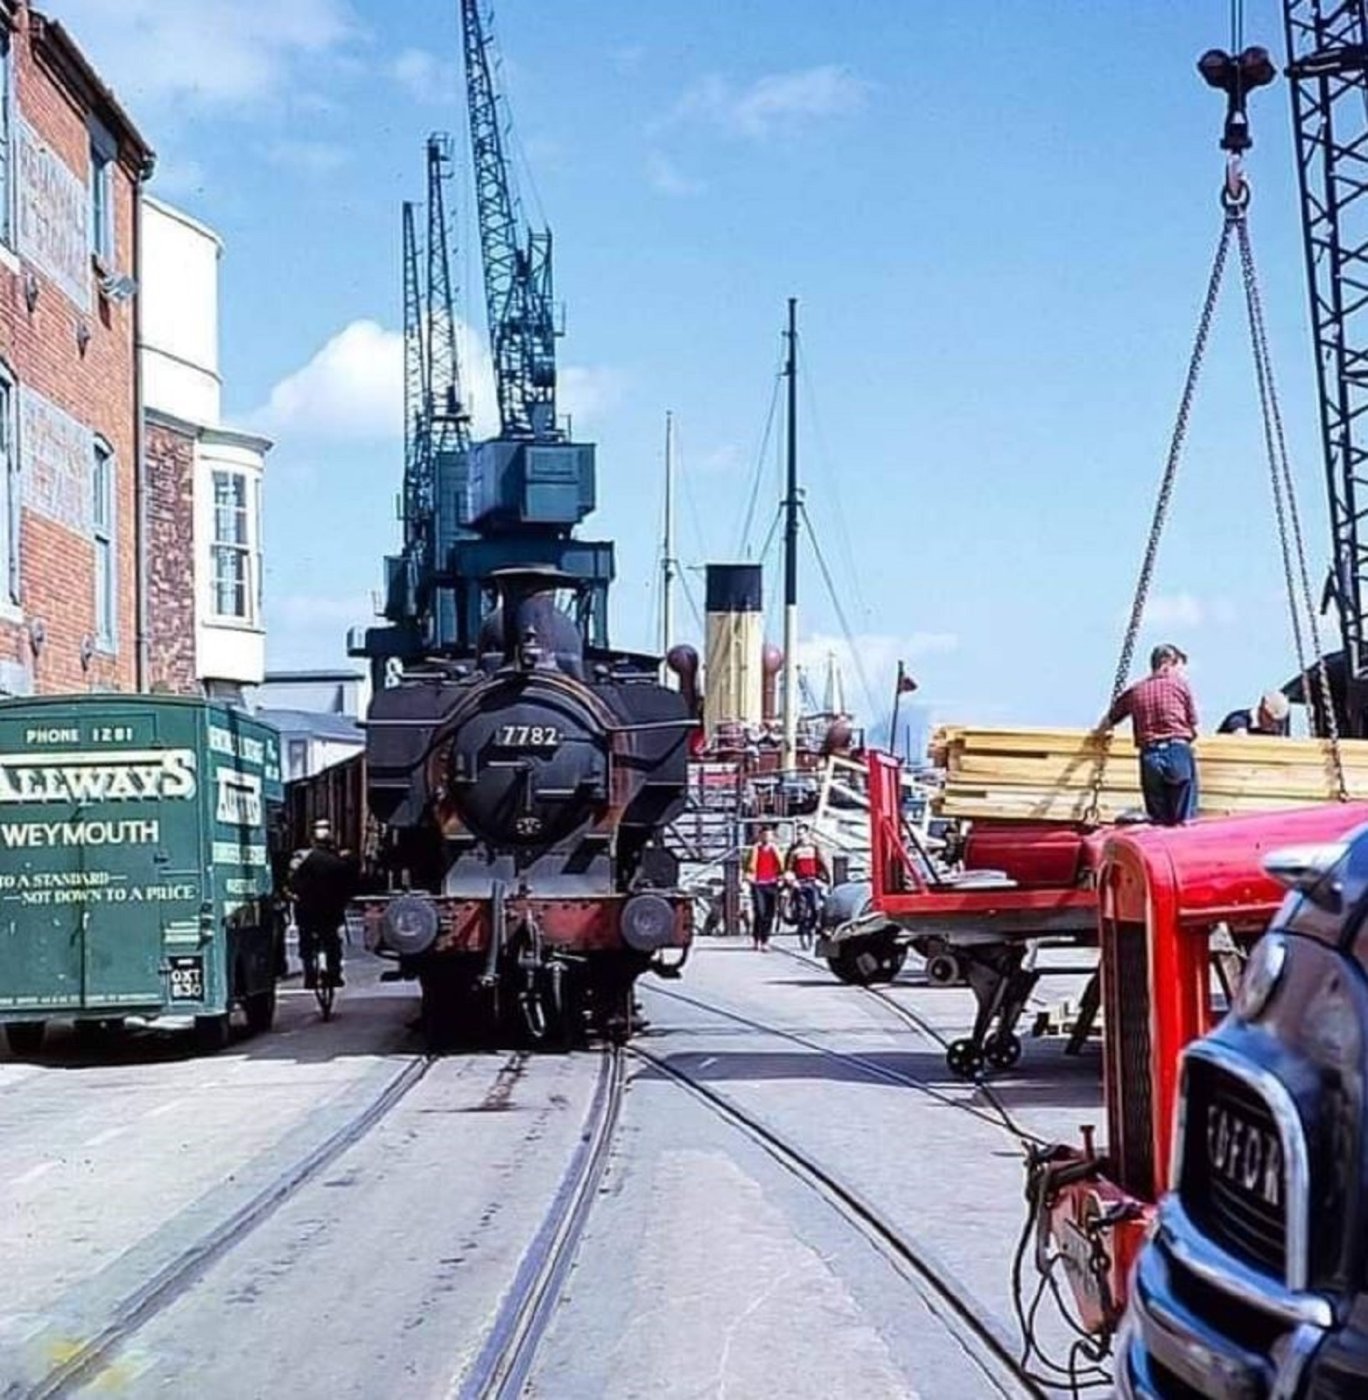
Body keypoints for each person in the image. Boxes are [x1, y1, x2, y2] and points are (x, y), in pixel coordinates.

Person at [1102, 643, 1199, 826]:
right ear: (1167, 663)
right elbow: (1192, 721)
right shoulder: (1179, 685)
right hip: (1177, 750)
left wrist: (1098, 735)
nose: (1181, 673)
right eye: (1179, 667)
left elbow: (1109, 720)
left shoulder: (1136, 690)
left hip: (1149, 756)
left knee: (1158, 820)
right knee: (1184, 820)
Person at [288, 820, 357, 989]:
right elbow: (347, 886)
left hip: (306, 909)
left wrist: (294, 895)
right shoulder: (338, 862)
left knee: (306, 941)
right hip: (329, 910)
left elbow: (294, 883)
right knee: (331, 940)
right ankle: (334, 973)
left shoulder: (303, 860)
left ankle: (309, 975)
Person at [784, 823, 830, 941]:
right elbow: (789, 867)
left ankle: (813, 925)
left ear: (807, 834)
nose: (800, 836)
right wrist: (791, 880)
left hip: (813, 880)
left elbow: (822, 864)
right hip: (799, 881)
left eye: (802, 834)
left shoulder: (814, 848)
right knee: (801, 907)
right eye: (798, 834)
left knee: (815, 906)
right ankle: (801, 925)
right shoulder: (794, 850)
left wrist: (826, 878)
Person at [743, 826, 783, 951]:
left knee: (769, 914)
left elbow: (783, 866)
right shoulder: (754, 850)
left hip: (772, 883)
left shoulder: (777, 850)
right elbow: (745, 866)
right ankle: (756, 938)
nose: (767, 838)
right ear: (760, 836)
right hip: (758, 883)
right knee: (760, 912)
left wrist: (782, 878)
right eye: (765, 835)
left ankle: (765, 940)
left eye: (769, 836)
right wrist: (747, 877)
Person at [1218, 690, 1291, 736]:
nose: (1273, 725)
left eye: (1277, 722)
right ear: (1262, 707)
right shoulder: (1239, 720)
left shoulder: (1276, 727)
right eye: (1270, 719)